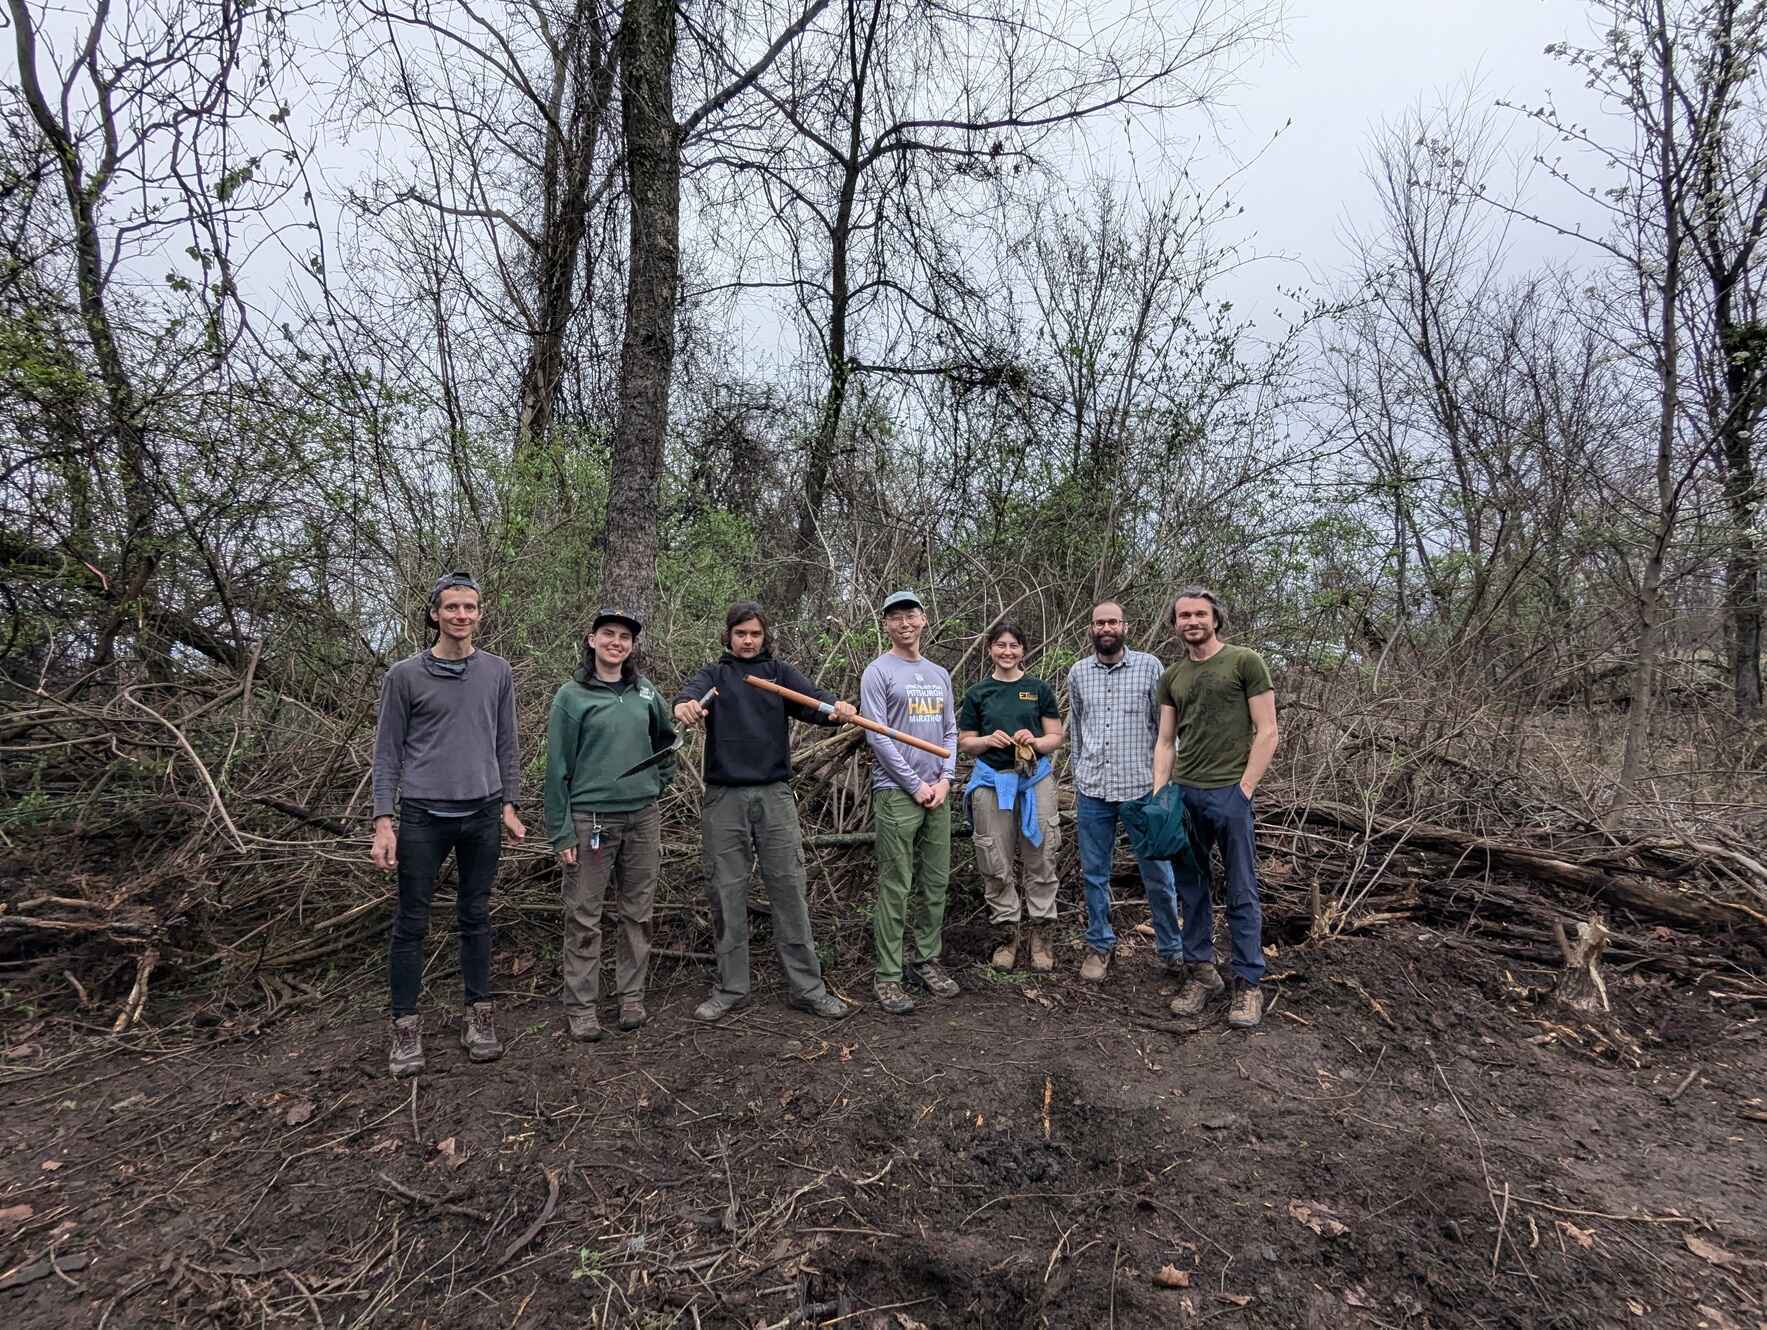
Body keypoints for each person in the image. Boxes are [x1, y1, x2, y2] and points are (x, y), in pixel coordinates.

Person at [372, 572, 527, 1078]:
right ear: (434, 614)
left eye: (470, 607)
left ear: (480, 614)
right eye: (452, 607)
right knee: (411, 923)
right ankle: (405, 1027)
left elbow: (506, 742)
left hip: (482, 813)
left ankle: (479, 1018)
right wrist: (383, 820)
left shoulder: (497, 671)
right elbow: (387, 753)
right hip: (421, 815)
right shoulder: (405, 675)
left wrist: (509, 804)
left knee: (476, 917)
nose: (462, 615)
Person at [674, 601, 858, 1023]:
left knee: (789, 888)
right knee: (725, 892)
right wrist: (684, 706)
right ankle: (731, 988)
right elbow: (687, 699)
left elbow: (818, 703)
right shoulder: (715, 676)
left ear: (764, 636)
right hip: (724, 798)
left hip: (774, 796)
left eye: (755, 633)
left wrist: (839, 708)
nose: (748, 640)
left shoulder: (778, 674)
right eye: (740, 633)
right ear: (728, 636)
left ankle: (807, 989)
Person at [543, 607, 676, 1042]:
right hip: (590, 820)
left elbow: (667, 741)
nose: (616, 642)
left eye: (624, 637)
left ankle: (631, 997)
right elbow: (557, 767)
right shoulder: (572, 696)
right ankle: (581, 1007)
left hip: (643, 818)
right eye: (608, 634)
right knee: (584, 914)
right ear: (591, 639)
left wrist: (656, 783)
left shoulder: (644, 692)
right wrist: (561, 829)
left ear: (632, 646)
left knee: (638, 912)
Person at [1153, 587, 1278, 1029]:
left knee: (1242, 890)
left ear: (1215, 619)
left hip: (1230, 793)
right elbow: (1166, 741)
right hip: (1185, 795)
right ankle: (1202, 975)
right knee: (1192, 888)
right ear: (1175, 624)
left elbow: (1267, 732)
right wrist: (1160, 794)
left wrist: (1244, 789)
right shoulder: (1172, 676)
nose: (1191, 621)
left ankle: (1247, 983)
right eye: (1183, 615)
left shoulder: (1245, 661)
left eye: (1199, 614)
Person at [1065, 599, 1185, 982]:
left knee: (1158, 875)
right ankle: (1099, 945)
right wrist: (1079, 771)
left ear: (1125, 627)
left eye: (1113, 622)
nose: (1106, 628)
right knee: (1094, 873)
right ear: (1091, 629)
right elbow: (1078, 732)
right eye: (1099, 622)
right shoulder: (1079, 672)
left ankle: (1171, 950)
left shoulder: (1150, 667)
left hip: (1141, 790)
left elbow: (1165, 730)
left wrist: (1163, 787)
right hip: (1093, 790)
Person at [860, 590, 960, 1014]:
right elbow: (877, 734)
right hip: (897, 793)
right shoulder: (878, 672)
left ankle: (926, 960)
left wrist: (946, 780)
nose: (905, 623)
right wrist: (914, 784)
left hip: (937, 792)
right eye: (896, 617)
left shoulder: (939, 674)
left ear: (923, 620)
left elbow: (951, 732)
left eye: (911, 615)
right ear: (886, 625)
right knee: (896, 885)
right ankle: (888, 975)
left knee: (935, 882)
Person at [958, 621, 1064, 972]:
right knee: (994, 859)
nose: (1007, 652)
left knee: (1042, 857)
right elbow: (966, 741)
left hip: (1035, 782)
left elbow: (1055, 737)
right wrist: (988, 741)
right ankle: (1007, 936)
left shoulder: (1038, 689)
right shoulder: (978, 692)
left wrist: (1033, 740)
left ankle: (1042, 937)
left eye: (1014, 646)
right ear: (990, 648)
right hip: (991, 783)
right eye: (1000, 645)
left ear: (1023, 649)